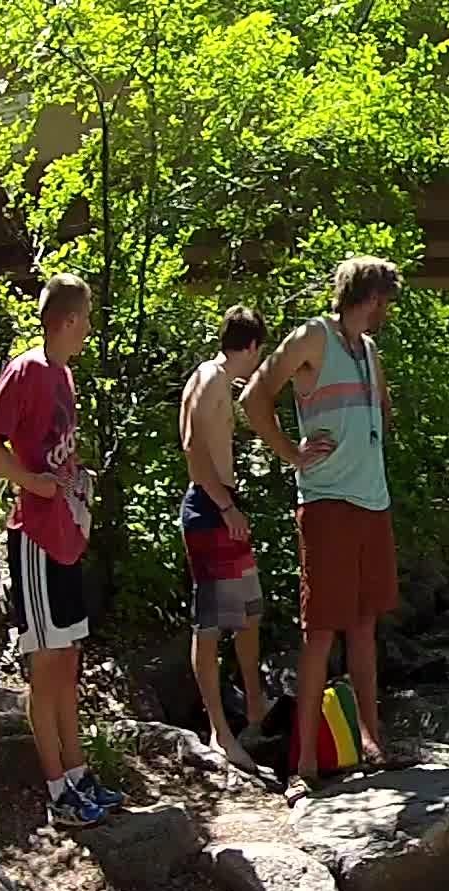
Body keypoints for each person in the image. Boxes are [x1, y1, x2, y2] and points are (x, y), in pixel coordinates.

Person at [241, 257, 401, 805]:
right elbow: (253, 399)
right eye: (384, 300)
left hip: (372, 503)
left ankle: (373, 742)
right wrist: (291, 453)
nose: (387, 311)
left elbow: (378, 409)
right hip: (328, 504)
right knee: (319, 634)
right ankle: (303, 764)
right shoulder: (313, 337)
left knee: (363, 625)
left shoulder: (368, 351)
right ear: (368, 296)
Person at [0, 274, 124, 828]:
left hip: (65, 536)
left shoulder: (65, 376)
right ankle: (58, 790)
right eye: (85, 318)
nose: (88, 328)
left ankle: (80, 775)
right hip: (33, 536)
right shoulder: (28, 370)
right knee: (45, 663)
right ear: (66, 319)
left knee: (68, 659)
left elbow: (55, 452)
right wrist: (32, 484)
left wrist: (73, 479)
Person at [178, 305, 270, 771]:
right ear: (251, 346)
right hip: (210, 508)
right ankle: (220, 732)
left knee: (249, 610)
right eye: (260, 352)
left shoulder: (211, 377)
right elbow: (193, 447)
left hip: (219, 504)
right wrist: (226, 505)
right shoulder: (212, 378)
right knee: (211, 625)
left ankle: (255, 707)